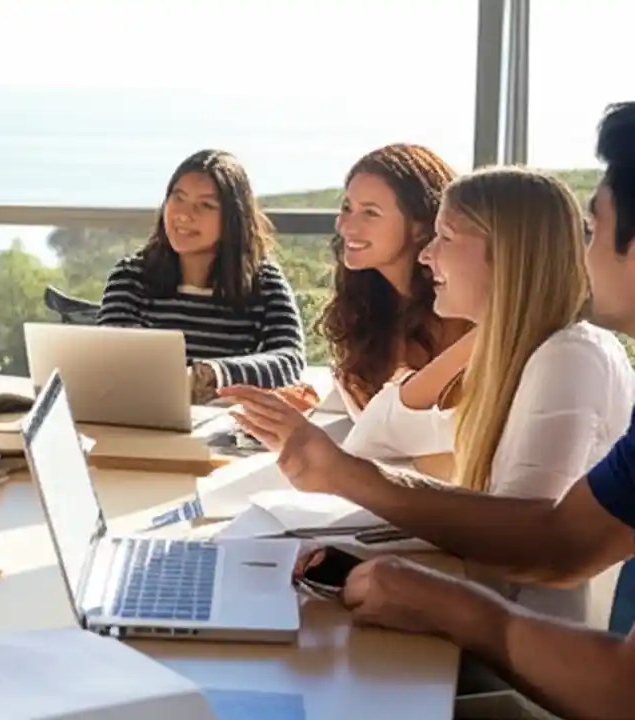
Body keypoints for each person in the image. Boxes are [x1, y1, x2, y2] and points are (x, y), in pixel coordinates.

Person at [211, 102, 635, 720]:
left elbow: (536, 554)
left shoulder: (571, 357)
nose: (428, 256)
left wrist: (437, 599)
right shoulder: (518, 350)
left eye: (594, 231)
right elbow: (559, 540)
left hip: (530, 682)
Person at [98, 149, 306, 400]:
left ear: (233, 217)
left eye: (205, 205)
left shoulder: (263, 282)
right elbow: (110, 361)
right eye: (178, 198)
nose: (184, 215)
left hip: (225, 428)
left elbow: (289, 360)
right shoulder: (130, 277)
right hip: (145, 420)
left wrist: (211, 375)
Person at [319, 144, 471, 419]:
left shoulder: (457, 315)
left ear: (421, 226)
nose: (346, 226)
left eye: (370, 213)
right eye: (346, 207)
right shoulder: (370, 306)